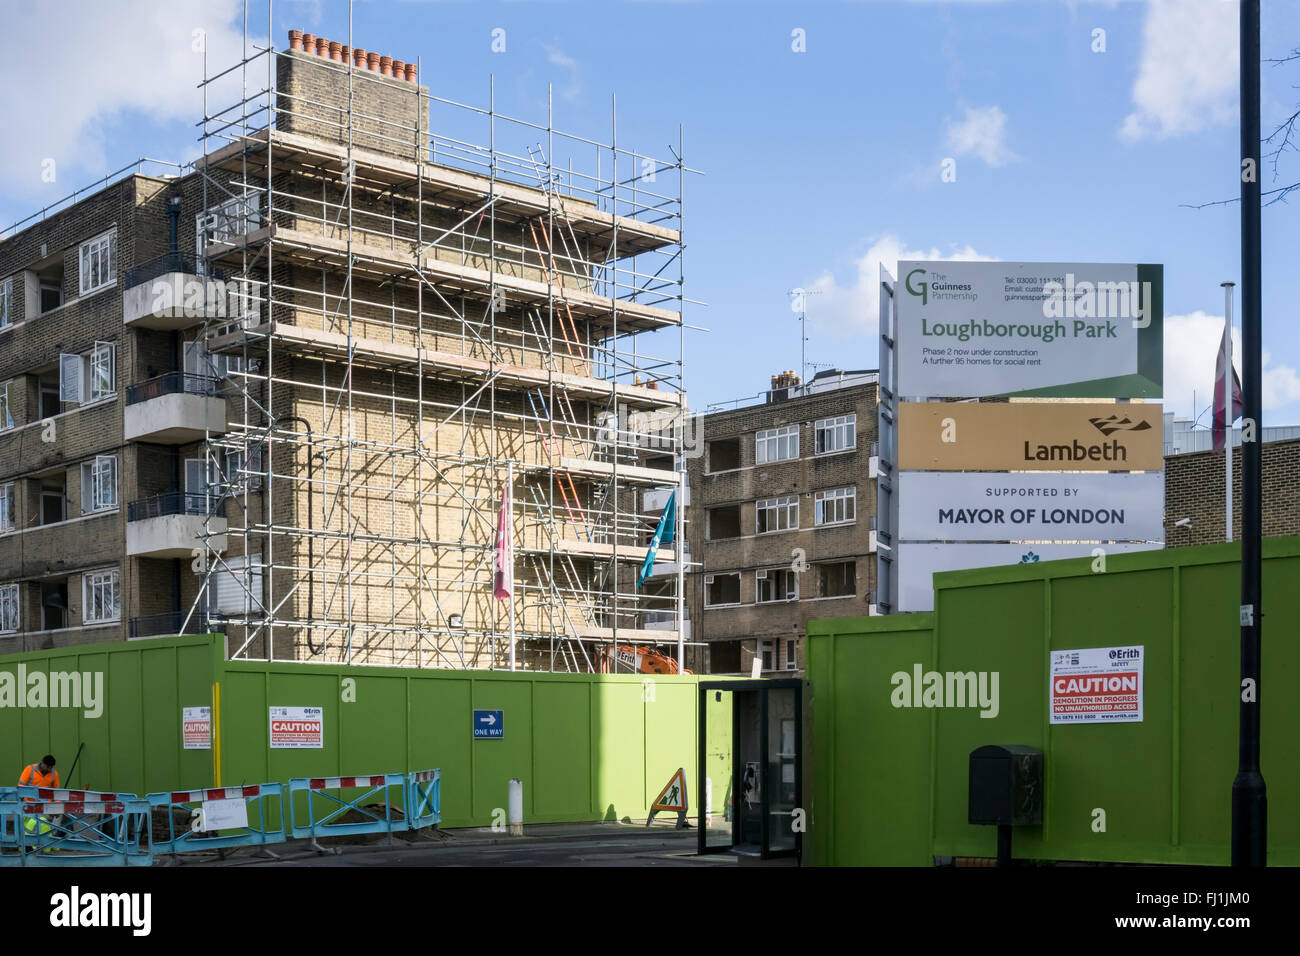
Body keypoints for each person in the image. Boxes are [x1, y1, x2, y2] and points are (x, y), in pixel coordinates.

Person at [18, 755, 60, 849]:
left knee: (45, 825)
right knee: (29, 826)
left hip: (45, 806)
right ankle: (26, 844)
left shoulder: (54, 773)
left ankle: (47, 843)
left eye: (51, 767)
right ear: (42, 763)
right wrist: (23, 800)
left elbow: (57, 792)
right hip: (28, 805)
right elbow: (21, 786)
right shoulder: (30, 769)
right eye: (48, 767)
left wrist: (57, 806)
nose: (49, 769)